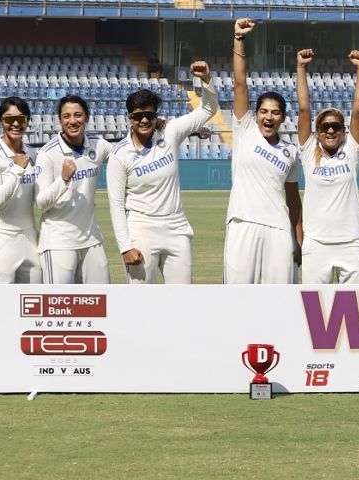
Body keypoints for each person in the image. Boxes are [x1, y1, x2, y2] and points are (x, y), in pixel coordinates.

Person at [108, 60, 217, 284]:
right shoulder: (120, 154)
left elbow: (208, 109)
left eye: (150, 115)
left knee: (182, 302)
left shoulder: (171, 132)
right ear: (130, 118)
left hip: (177, 228)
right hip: (141, 230)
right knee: (141, 304)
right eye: (138, 116)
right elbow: (116, 204)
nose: (145, 120)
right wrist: (125, 247)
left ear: (156, 115)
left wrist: (206, 80)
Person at [224, 18, 302, 284]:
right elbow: (240, 83)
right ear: (255, 115)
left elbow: (293, 199)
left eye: (275, 112)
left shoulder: (290, 152)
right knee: (237, 298)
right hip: (243, 223)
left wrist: (298, 239)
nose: (269, 117)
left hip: (279, 229)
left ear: (282, 118)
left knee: (279, 299)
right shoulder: (245, 130)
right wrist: (239, 40)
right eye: (264, 112)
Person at [295, 47, 359, 284]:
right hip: (316, 243)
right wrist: (301, 68)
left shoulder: (350, 151)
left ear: (343, 131)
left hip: (351, 242)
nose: (330, 130)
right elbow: (304, 109)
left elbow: (357, 110)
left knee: (358, 307)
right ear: (317, 132)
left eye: (335, 126)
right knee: (314, 310)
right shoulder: (308, 152)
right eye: (325, 126)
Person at [34, 95, 112, 283]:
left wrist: (156, 130)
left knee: (101, 304)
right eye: (67, 116)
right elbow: (41, 203)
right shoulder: (47, 153)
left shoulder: (99, 145)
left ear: (87, 117)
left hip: (91, 239)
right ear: (60, 120)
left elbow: (125, 155)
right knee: (59, 307)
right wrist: (63, 180)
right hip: (58, 243)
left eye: (78, 115)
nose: (73, 121)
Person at [0, 96, 41, 283]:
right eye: (8, 119)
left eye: (21, 119)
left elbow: (39, 196)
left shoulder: (32, 153)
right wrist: (17, 169)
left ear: (27, 121)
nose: (15, 124)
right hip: (0, 236)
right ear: (1, 122)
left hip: (29, 235)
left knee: (33, 302)